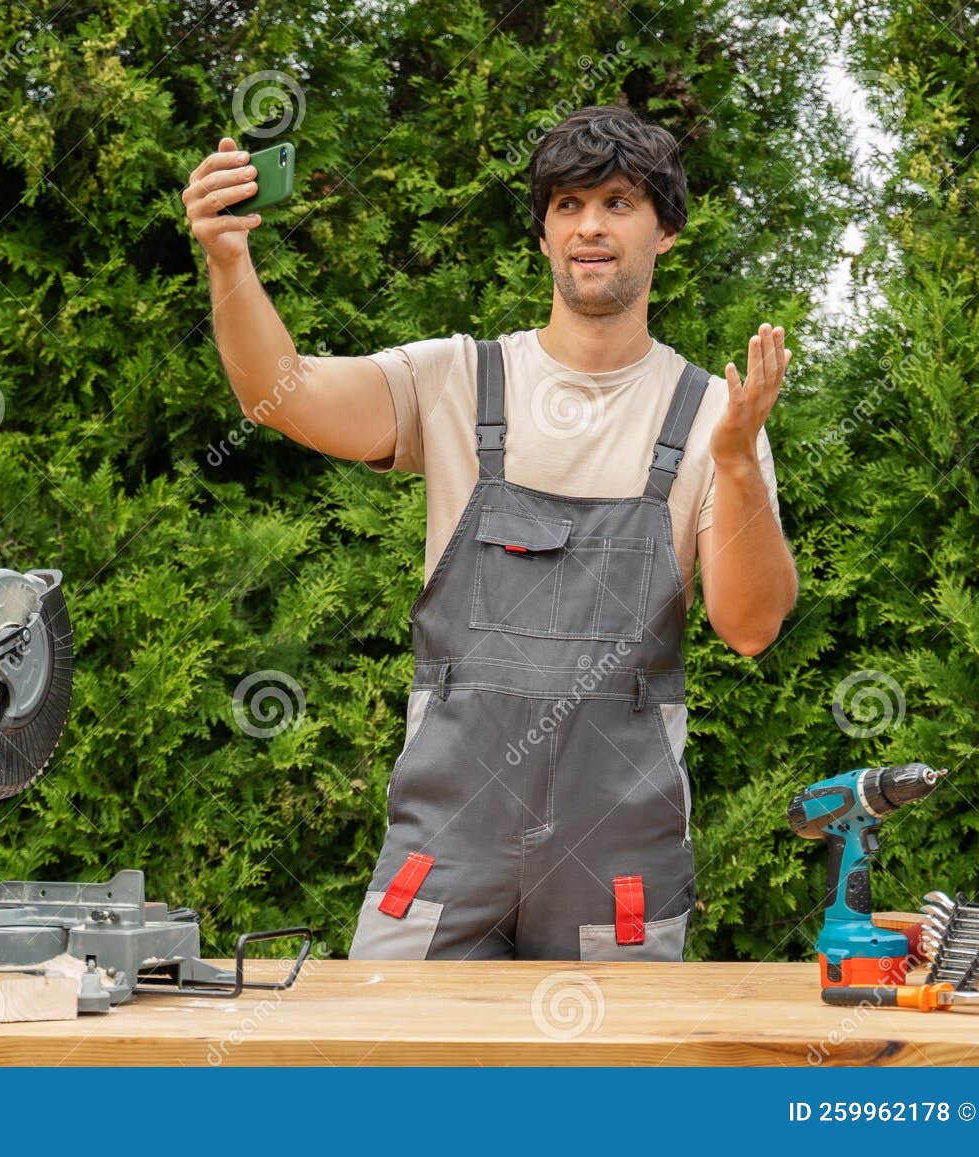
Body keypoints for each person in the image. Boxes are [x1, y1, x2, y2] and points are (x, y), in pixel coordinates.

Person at [183, 104, 797, 961]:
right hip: (444, 853)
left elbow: (750, 626)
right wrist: (228, 261)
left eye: (619, 203)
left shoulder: (714, 420)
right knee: (392, 1082)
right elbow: (279, 394)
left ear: (666, 234)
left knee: (601, 1098)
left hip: (618, 867)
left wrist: (735, 467)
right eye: (568, 204)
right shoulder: (458, 381)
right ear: (543, 235)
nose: (590, 225)